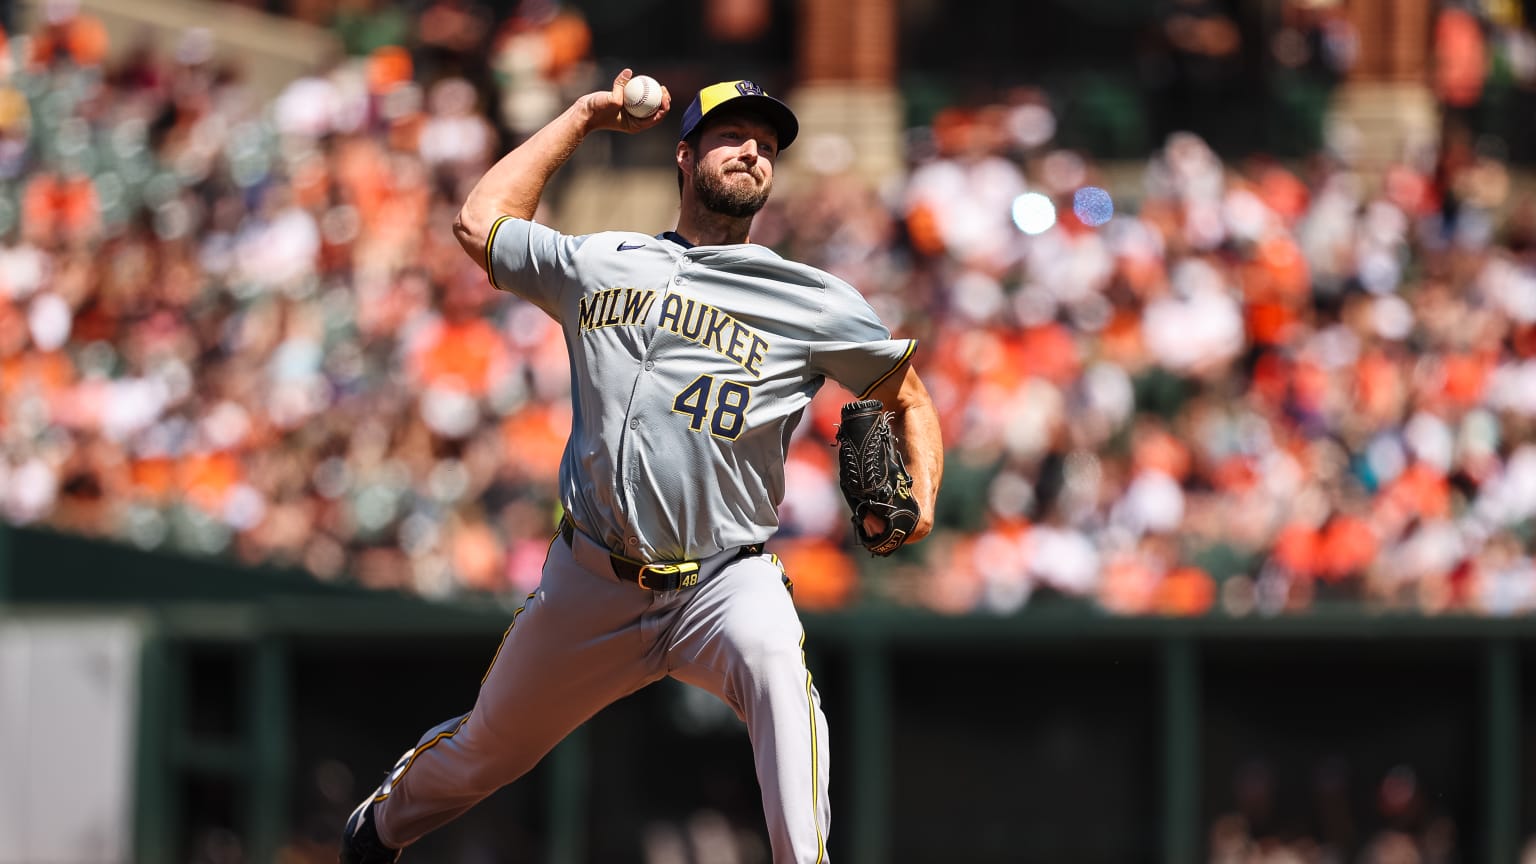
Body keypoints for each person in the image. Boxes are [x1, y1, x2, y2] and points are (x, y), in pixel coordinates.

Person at [339, 69, 944, 864]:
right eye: (733, 136)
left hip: (728, 580)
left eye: (766, 147)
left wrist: (923, 500)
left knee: (788, 706)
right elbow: (479, 220)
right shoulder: (599, 262)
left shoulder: (814, 300)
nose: (753, 154)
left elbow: (909, 396)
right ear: (686, 157)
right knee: (482, 754)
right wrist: (584, 118)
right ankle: (372, 835)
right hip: (592, 578)